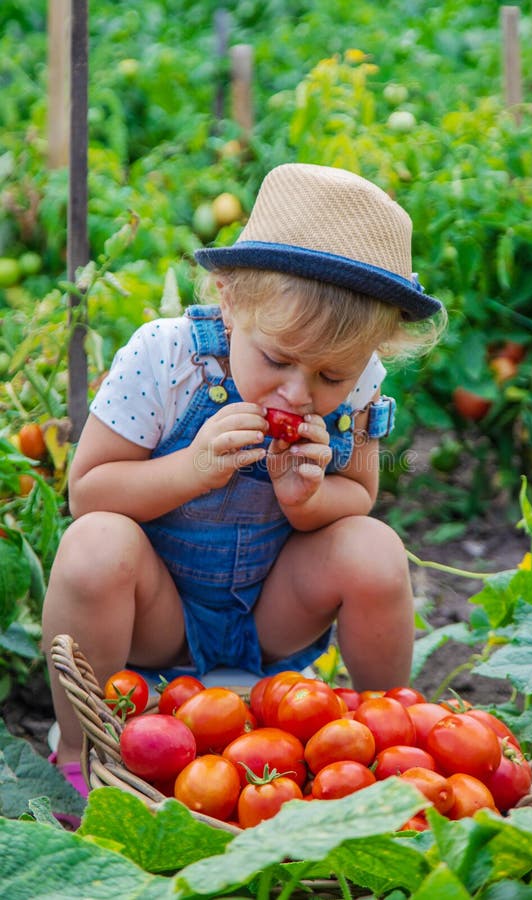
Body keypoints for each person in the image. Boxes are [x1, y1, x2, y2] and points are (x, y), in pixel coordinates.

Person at [42, 162, 445, 792]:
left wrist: (306, 501)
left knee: (375, 551)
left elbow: (361, 495)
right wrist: (193, 469)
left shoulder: (361, 382)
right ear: (229, 300)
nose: (300, 391)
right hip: (158, 613)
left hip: (271, 615)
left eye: (331, 378)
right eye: (277, 359)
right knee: (94, 546)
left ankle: (388, 737)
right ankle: (78, 749)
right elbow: (88, 492)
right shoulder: (165, 358)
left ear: (373, 355)